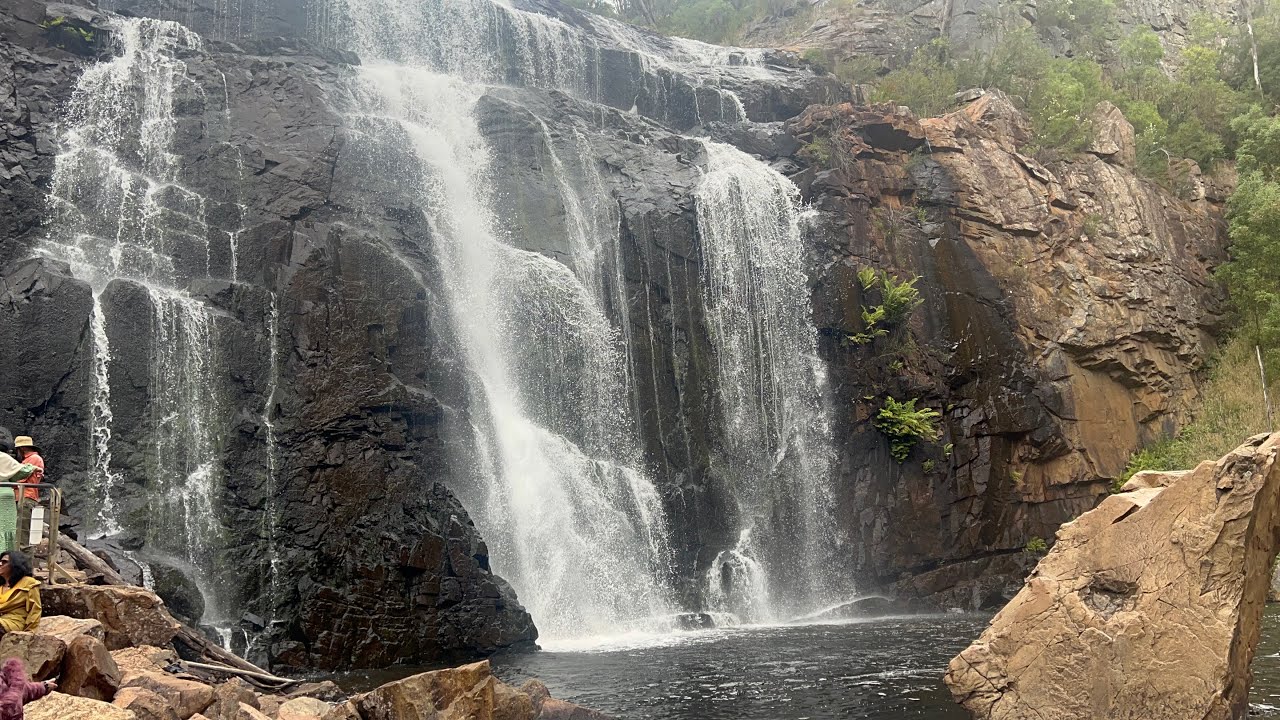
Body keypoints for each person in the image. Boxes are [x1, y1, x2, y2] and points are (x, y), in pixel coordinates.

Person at [9, 440, 41, 551]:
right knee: (19, 533)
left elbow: (22, 477)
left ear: (21, 448)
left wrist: (10, 481)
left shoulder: (34, 459)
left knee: (23, 536)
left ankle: (24, 566)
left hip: (27, 497)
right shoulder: (27, 460)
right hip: (21, 497)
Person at [0, 552, 40, 634]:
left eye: (4, 562)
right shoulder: (1, 585)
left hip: (14, 622)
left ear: (15, 564)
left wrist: (30, 633)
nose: (0, 564)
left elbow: (35, 610)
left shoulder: (28, 582)